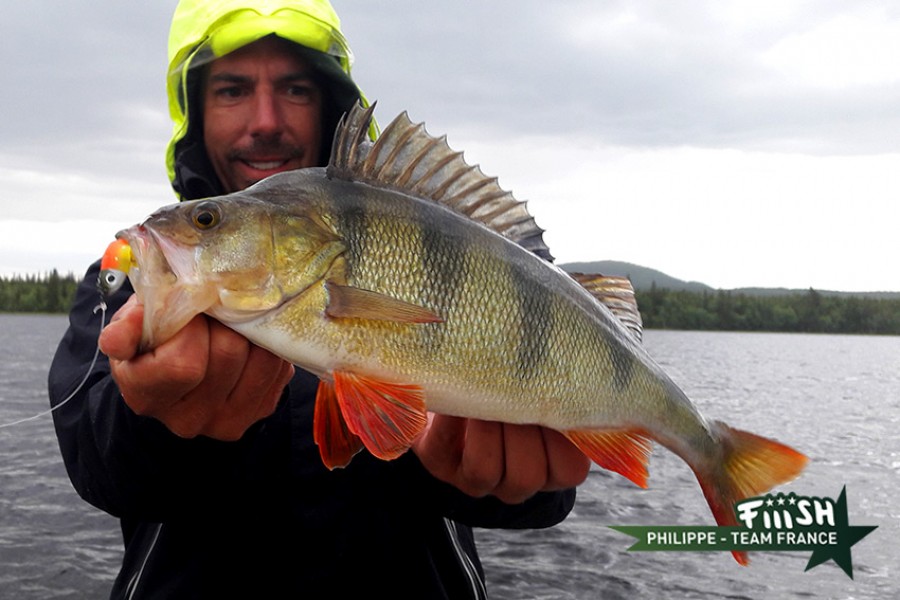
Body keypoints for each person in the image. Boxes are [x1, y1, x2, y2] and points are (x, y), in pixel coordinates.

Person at [48, 1, 590, 597]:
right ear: (193, 113)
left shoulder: (421, 234)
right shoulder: (128, 281)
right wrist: (156, 423)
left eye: (295, 89)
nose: (265, 120)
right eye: (231, 89)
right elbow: (98, 463)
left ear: (331, 102)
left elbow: (548, 470)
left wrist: (499, 479)